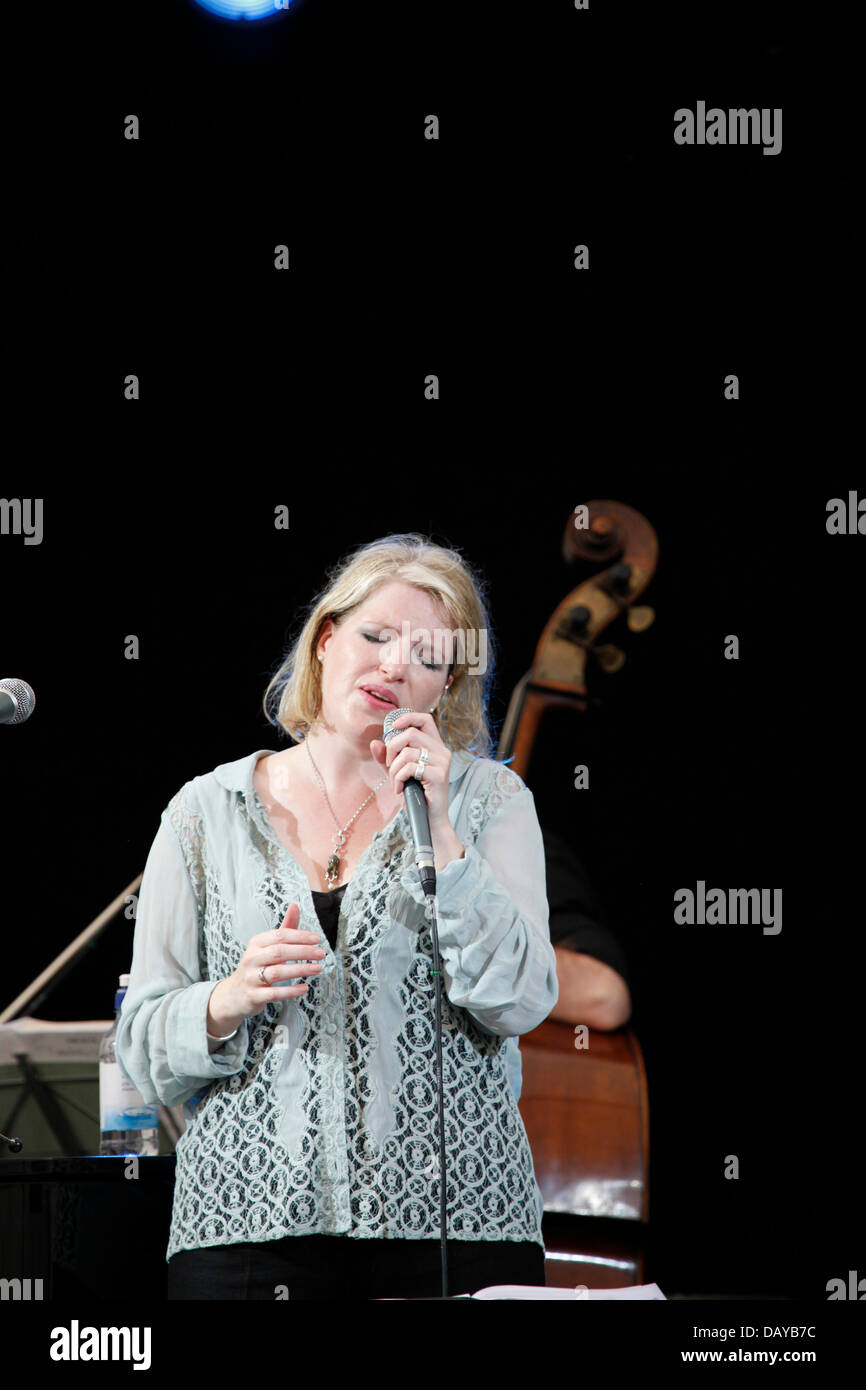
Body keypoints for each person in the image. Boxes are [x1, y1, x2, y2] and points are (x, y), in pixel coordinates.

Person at [115, 533, 559, 1300]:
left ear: (445, 686)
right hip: (247, 1232)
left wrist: (443, 831)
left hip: (453, 1230)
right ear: (326, 640)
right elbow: (142, 1047)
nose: (395, 667)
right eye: (375, 636)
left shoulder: (491, 800)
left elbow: (519, 999)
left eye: (427, 657)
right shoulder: (205, 812)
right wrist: (228, 999)